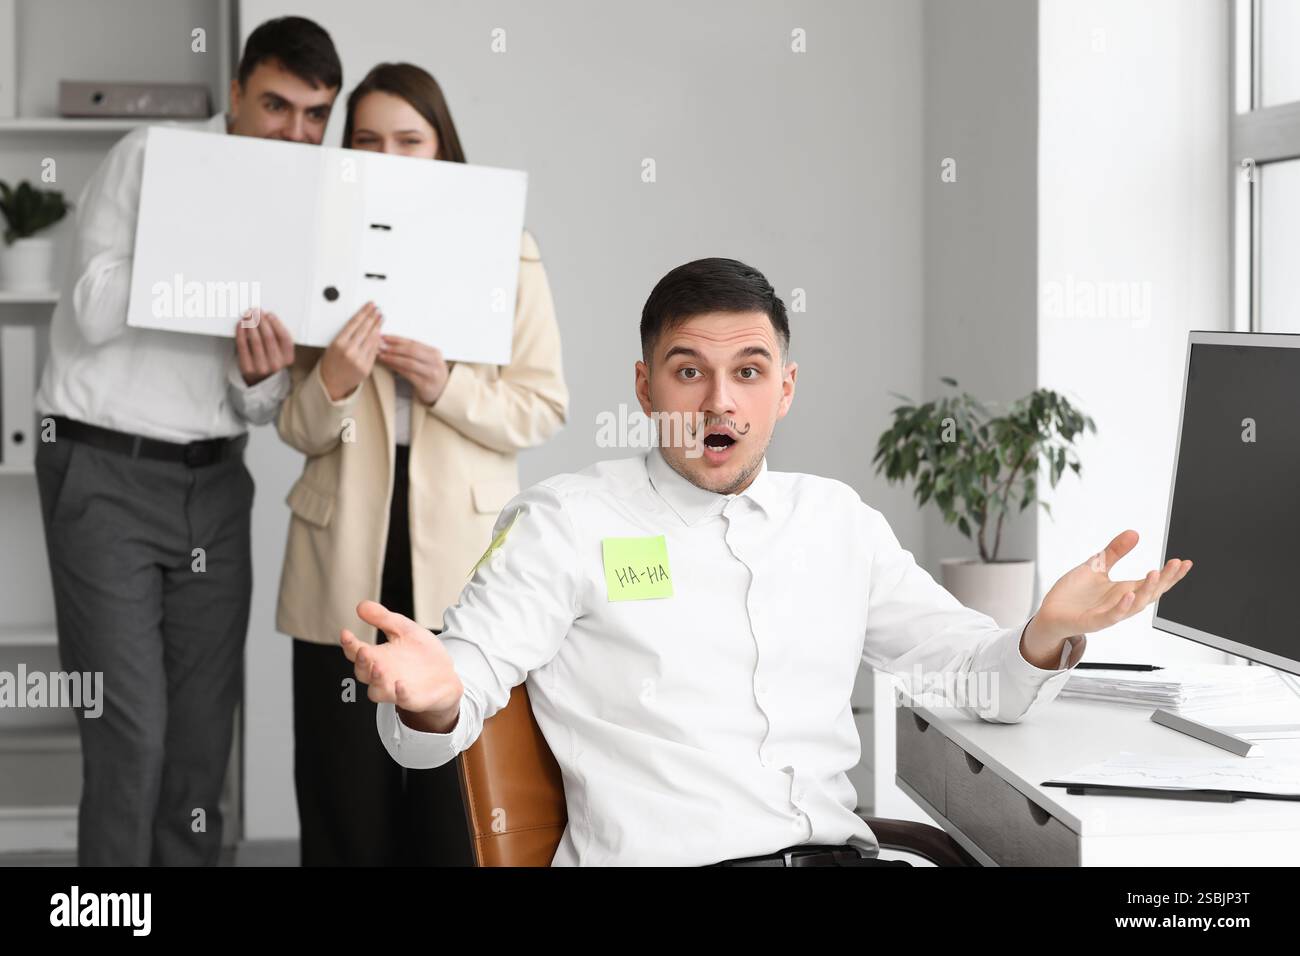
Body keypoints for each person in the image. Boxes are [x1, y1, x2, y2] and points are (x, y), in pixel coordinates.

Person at [340, 257, 1193, 866]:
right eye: (689, 372)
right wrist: (435, 693)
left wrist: (1043, 633)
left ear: (784, 388)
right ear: (645, 388)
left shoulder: (835, 522)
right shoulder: (569, 520)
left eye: (748, 371)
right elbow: (446, 708)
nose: (719, 400)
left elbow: (976, 678)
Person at [33, 16, 343, 866]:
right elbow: (94, 308)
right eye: (277, 105)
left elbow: (257, 406)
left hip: (214, 483)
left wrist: (260, 374)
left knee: (203, 739)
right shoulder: (153, 155)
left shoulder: (310, 208)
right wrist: (224, 248)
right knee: (130, 733)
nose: (294, 132)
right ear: (237, 91)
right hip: (104, 468)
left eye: (315, 115)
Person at [274, 63, 568, 866]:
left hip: (460, 553)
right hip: (343, 552)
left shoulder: (507, 249)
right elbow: (296, 430)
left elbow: (541, 406)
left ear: (443, 150)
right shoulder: (317, 249)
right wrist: (331, 382)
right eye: (367, 141)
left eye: (410, 140)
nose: (390, 157)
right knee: (343, 798)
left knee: (453, 803)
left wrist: (446, 387)